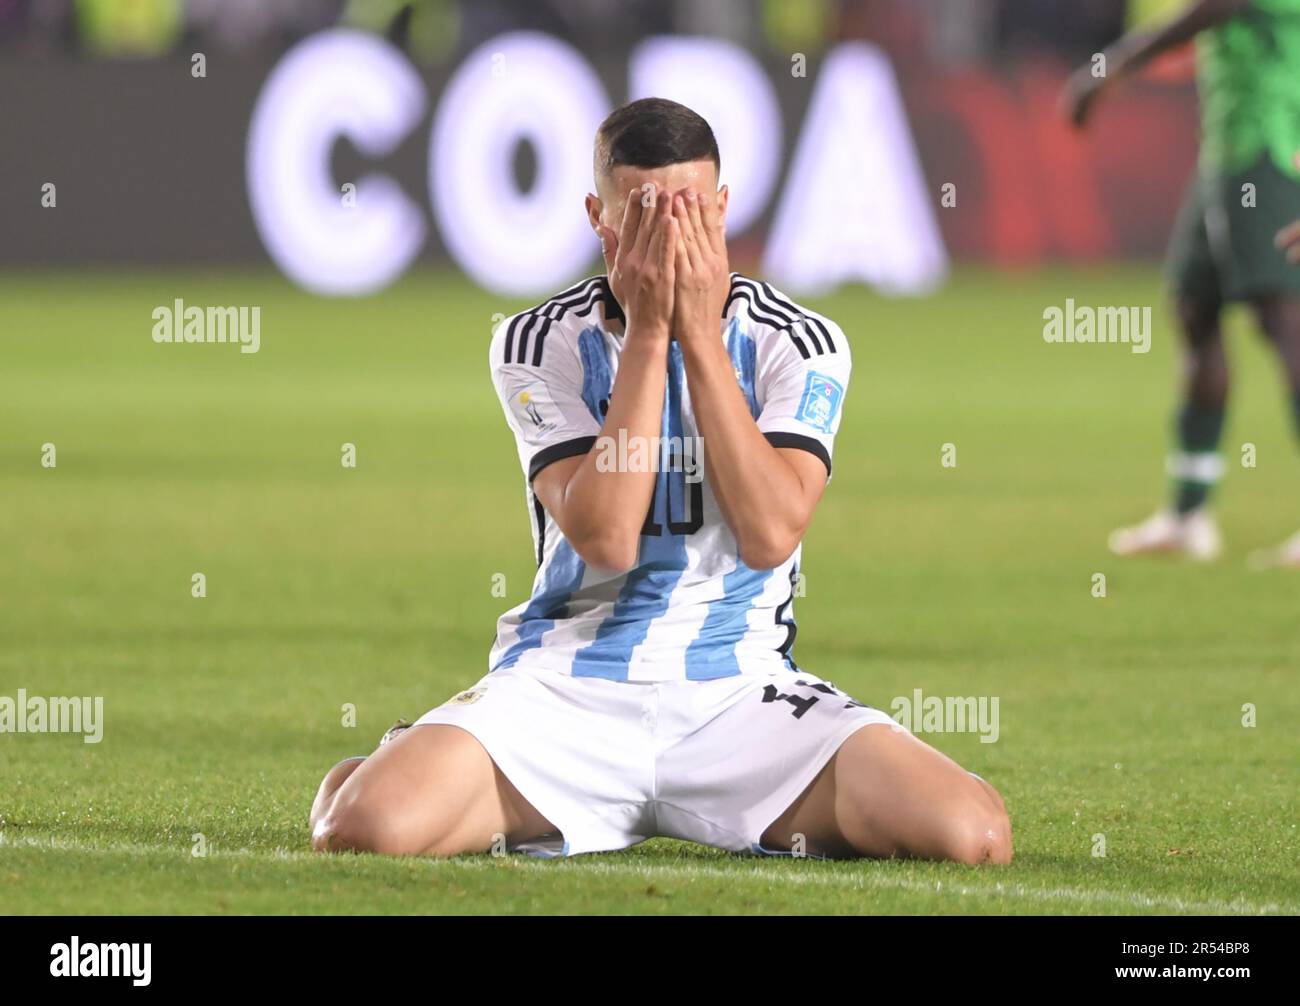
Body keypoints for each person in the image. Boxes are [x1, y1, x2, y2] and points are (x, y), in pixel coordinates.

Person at [309, 98, 1011, 864]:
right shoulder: (540, 341)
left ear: (723, 209)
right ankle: (398, 761)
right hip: (567, 689)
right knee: (362, 830)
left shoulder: (798, 341)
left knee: (968, 836)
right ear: (596, 218)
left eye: (689, 213)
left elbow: (772, 532)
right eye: (644, 216)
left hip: (741, 697)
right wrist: (649, 331)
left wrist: (698, 337)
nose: (670, 239)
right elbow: (606, 537)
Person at [1062, 0, 1300, 567]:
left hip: (1266, 145)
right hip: (1229, 148)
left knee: (1285, 321)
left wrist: (1112, 64)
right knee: (1195, 308)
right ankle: (1189, 515)